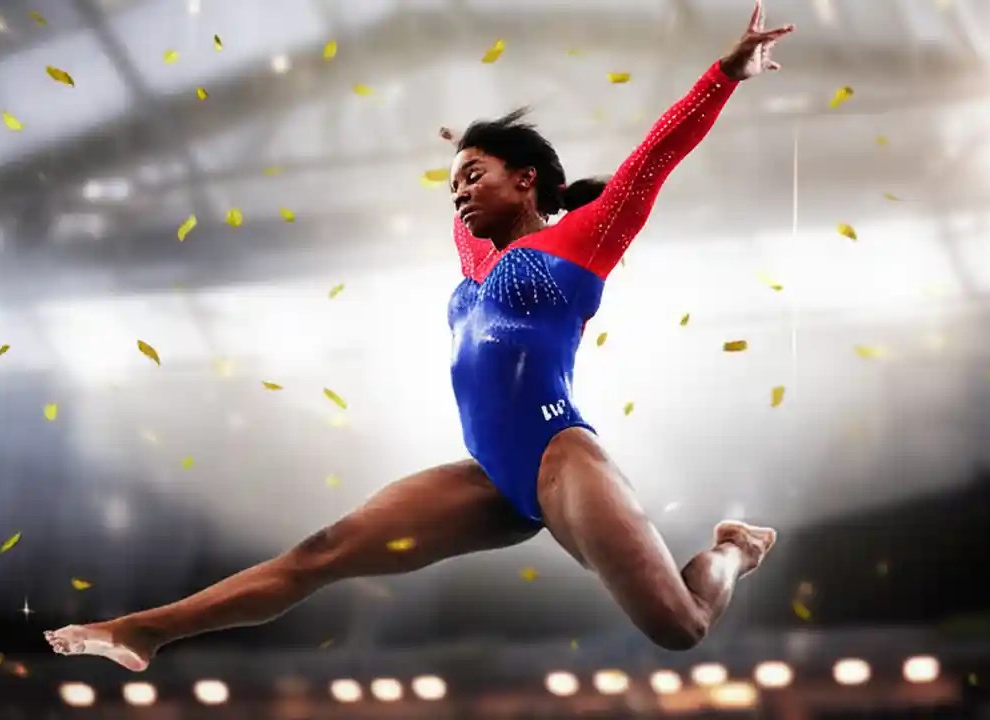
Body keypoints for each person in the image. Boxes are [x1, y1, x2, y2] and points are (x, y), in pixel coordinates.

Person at [46, 0, 793, 671]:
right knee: (321, 553)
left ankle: (735, 547)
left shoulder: (582, 240)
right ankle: (145, 631)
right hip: (490, 476)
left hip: (560, 458)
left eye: (474, 176)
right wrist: (461, 150)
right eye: (453, 184)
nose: (459, 193)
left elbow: (653, 160)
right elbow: (470, 215)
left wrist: (723, 76)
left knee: (680, 626)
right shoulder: (477, 263)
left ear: (526, 180)